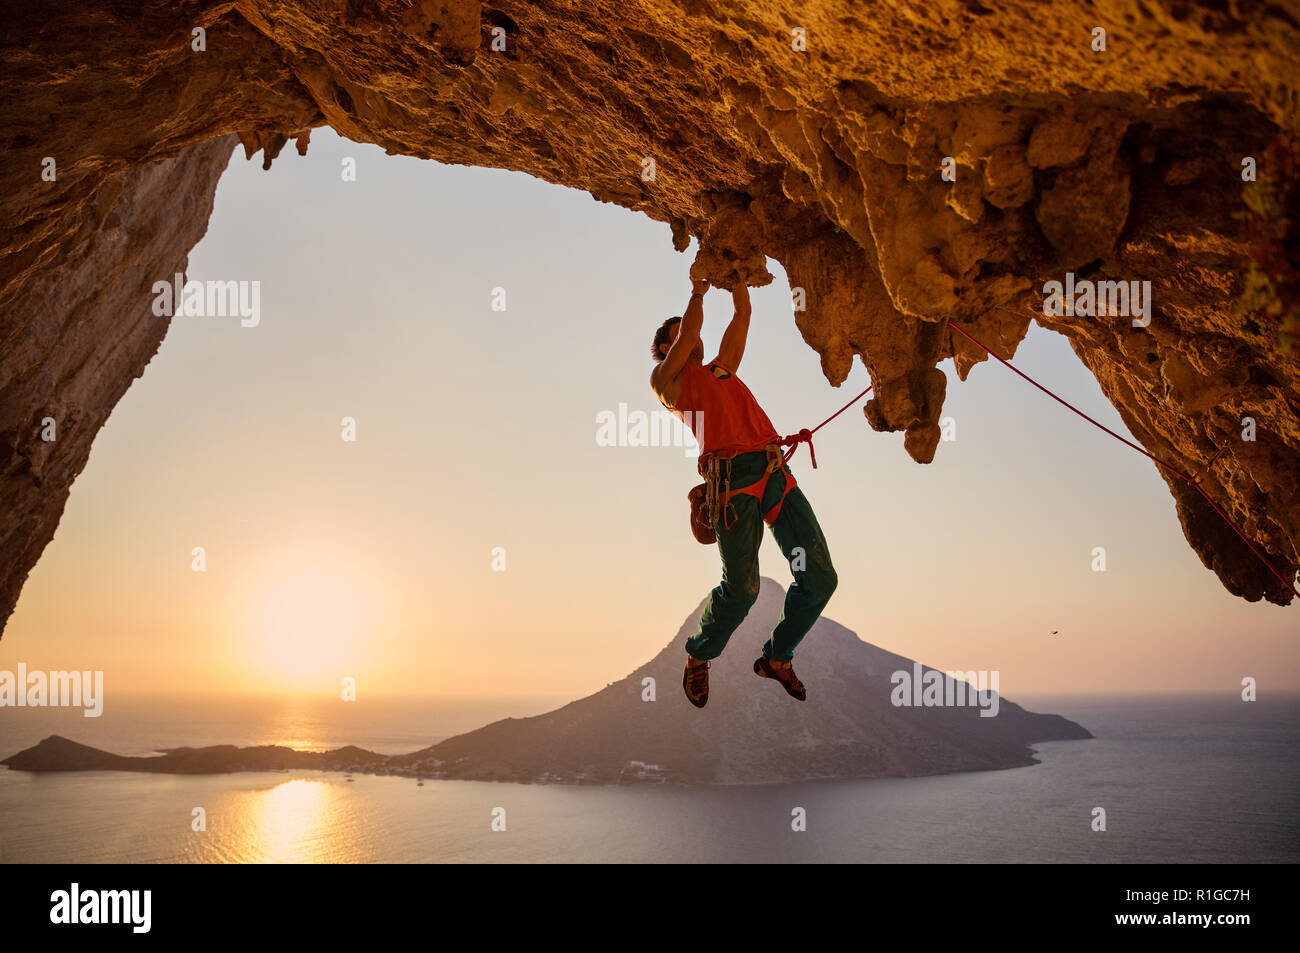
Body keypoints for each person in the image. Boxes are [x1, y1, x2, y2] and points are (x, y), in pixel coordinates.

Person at [649, 275, 838, 708]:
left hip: (773, 470)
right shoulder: (666, 382)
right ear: (666, 350)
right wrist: (697, 289)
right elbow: (693, 332)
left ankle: (777, 657)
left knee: (821, 578)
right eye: (681, 337)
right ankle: (700, 653)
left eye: (691, 334)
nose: (693, 339)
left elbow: (743, 314)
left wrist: (736, 279)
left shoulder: (720, 370)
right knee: (743, 588)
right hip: (731, 482)